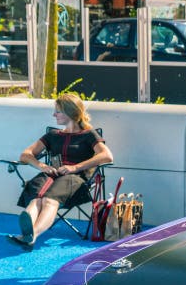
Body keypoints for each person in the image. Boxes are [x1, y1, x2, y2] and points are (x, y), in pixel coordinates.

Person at [7, 93, 113, 251]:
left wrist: (75, 167)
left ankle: (31, 236)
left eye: (57, 111)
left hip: (75, 178)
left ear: (70, 112)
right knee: (36, 199)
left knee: (49, 201)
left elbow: (107, 156)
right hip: (50, 175)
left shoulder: (89, 134)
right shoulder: (53, 135)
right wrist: (41, 166)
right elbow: (26, 154)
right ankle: (27, 233)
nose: (53, 114)